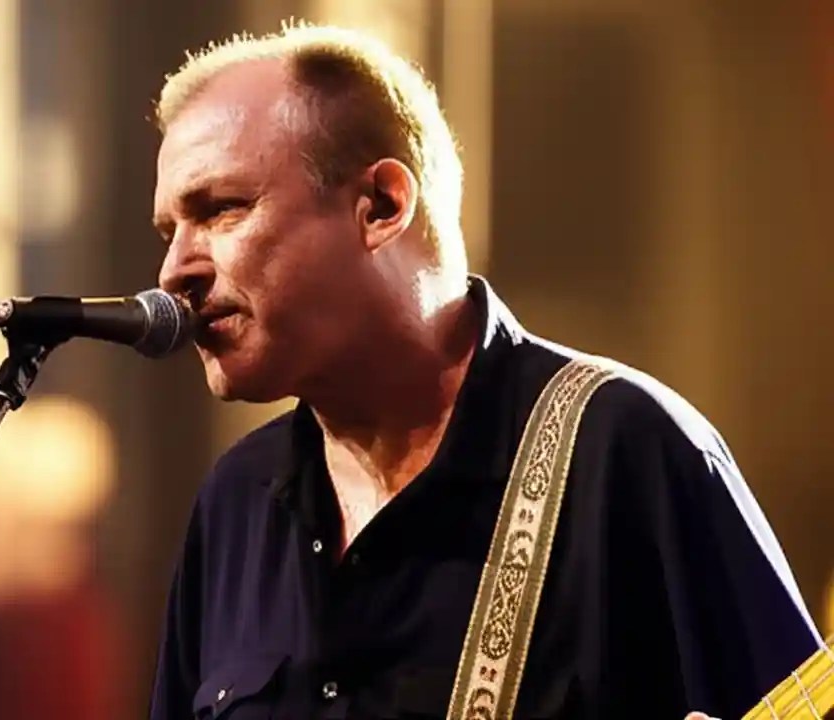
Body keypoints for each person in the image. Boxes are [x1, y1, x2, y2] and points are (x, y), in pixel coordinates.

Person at [146, 23, 821, 720]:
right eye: (169, 233)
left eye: (220, 210)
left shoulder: (627, 451)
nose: (174, 271)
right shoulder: (235, 501)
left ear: (380, 206)